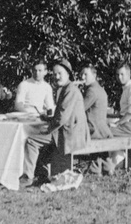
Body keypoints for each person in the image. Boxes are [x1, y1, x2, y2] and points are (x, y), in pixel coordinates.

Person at [20, 58, 89, 186]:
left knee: (32, 141)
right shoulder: (65, 89)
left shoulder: (70, 90)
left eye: (60, 73)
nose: (57, 77)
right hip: (66, 130)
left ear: (68, 74)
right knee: (42, 140)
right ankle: (41, 175)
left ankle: (28, 177)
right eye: (55, 74)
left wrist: (48, 128)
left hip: (70, 133)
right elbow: (61, 115)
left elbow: (62, 118)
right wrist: (47, 119)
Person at [104, 63, 131, 174]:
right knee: (106, 129)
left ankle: (112, 164)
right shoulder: (126, 89)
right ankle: (114, 162)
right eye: (117, 75)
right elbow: (125, 112)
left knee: (104, 132)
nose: (119, 77)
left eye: (122, 74)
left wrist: (117, 123)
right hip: (129, 122)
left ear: (129, 74)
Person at [81, 66, 112, 139]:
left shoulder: (92, 91)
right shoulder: (100, 89)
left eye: (85, 74)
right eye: (82, 74)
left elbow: (79, 109)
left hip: (94, 132)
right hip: (103, 130)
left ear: (94, 76)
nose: (82, 77)